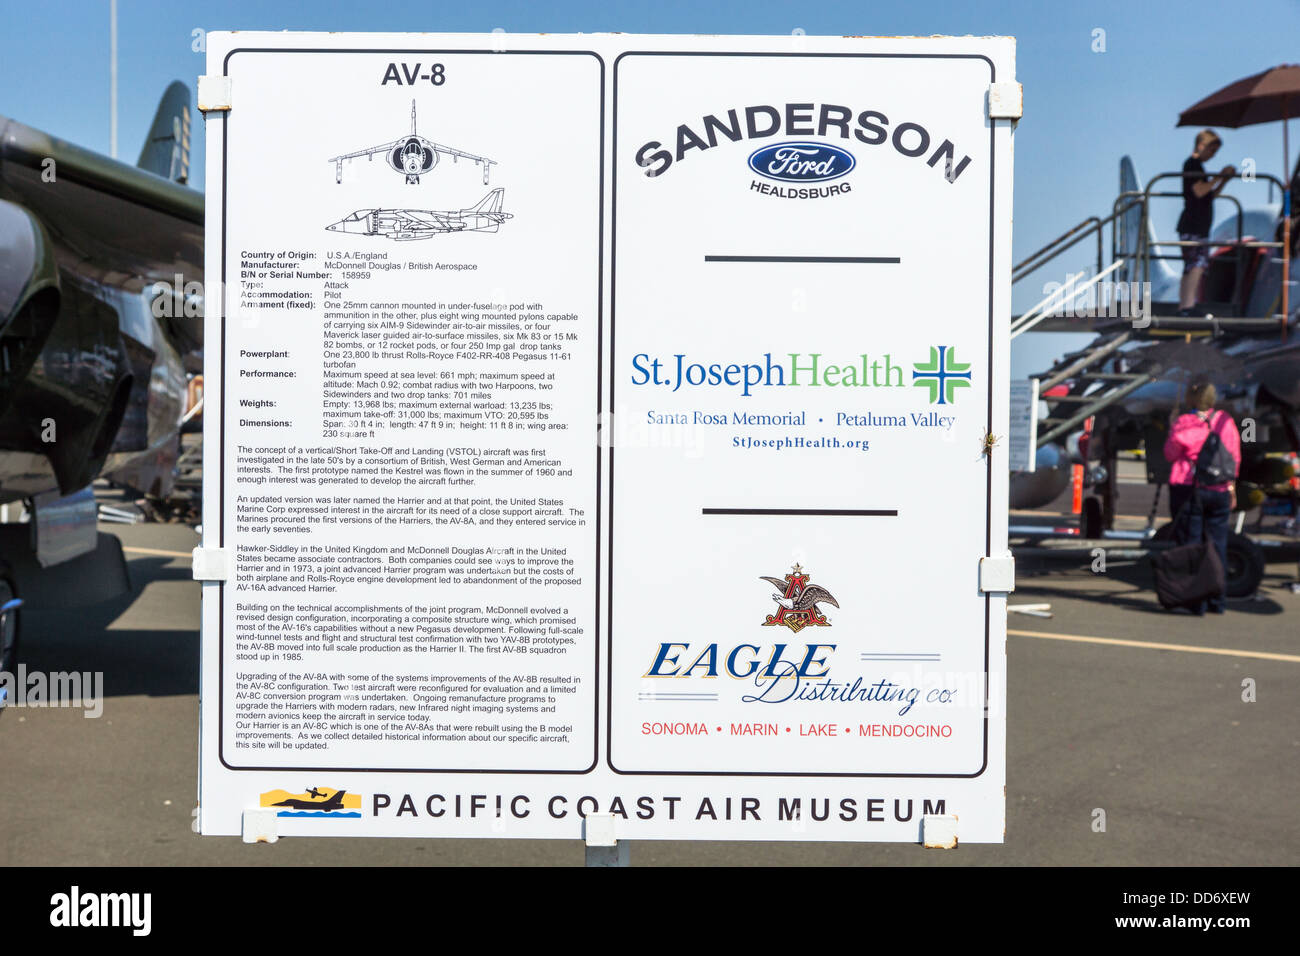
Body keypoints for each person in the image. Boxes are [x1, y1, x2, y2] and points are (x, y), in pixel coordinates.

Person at [1163, 382, 1241, 613]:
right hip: (1219, 490)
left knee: (1191, 546)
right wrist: (1231, 488)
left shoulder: (1184, 422)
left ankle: (1196, 601)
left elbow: (1170, 454)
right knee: (1218, 546)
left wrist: (1171, 427)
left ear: (1190, 398)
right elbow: (1234, 457)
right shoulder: (1225, 421)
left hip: (1189, 490)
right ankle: (1218, 599)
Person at [1176, 130, 1235, 316]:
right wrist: (1219, 176)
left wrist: (1223, 181)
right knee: (1197, 264)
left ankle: (1184, 305)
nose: (1213, 155)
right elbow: (1199, 191)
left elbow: (1209, 195)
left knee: (1191, 266)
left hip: (1198, 225)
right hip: (1194, 225)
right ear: (1201, 146)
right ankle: (1188, 306)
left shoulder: (1198, 167)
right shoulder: (1192, 164)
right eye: (1211, 150)